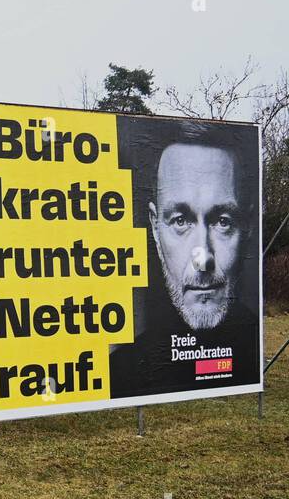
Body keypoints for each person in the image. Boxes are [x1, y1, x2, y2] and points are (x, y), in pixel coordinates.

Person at [109, 124, 259, 397]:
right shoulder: (120, 376)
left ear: (246, 227)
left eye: (223, 222)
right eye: (180, 221)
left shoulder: (256, 355)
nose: (203, 259)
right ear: (155, 228)